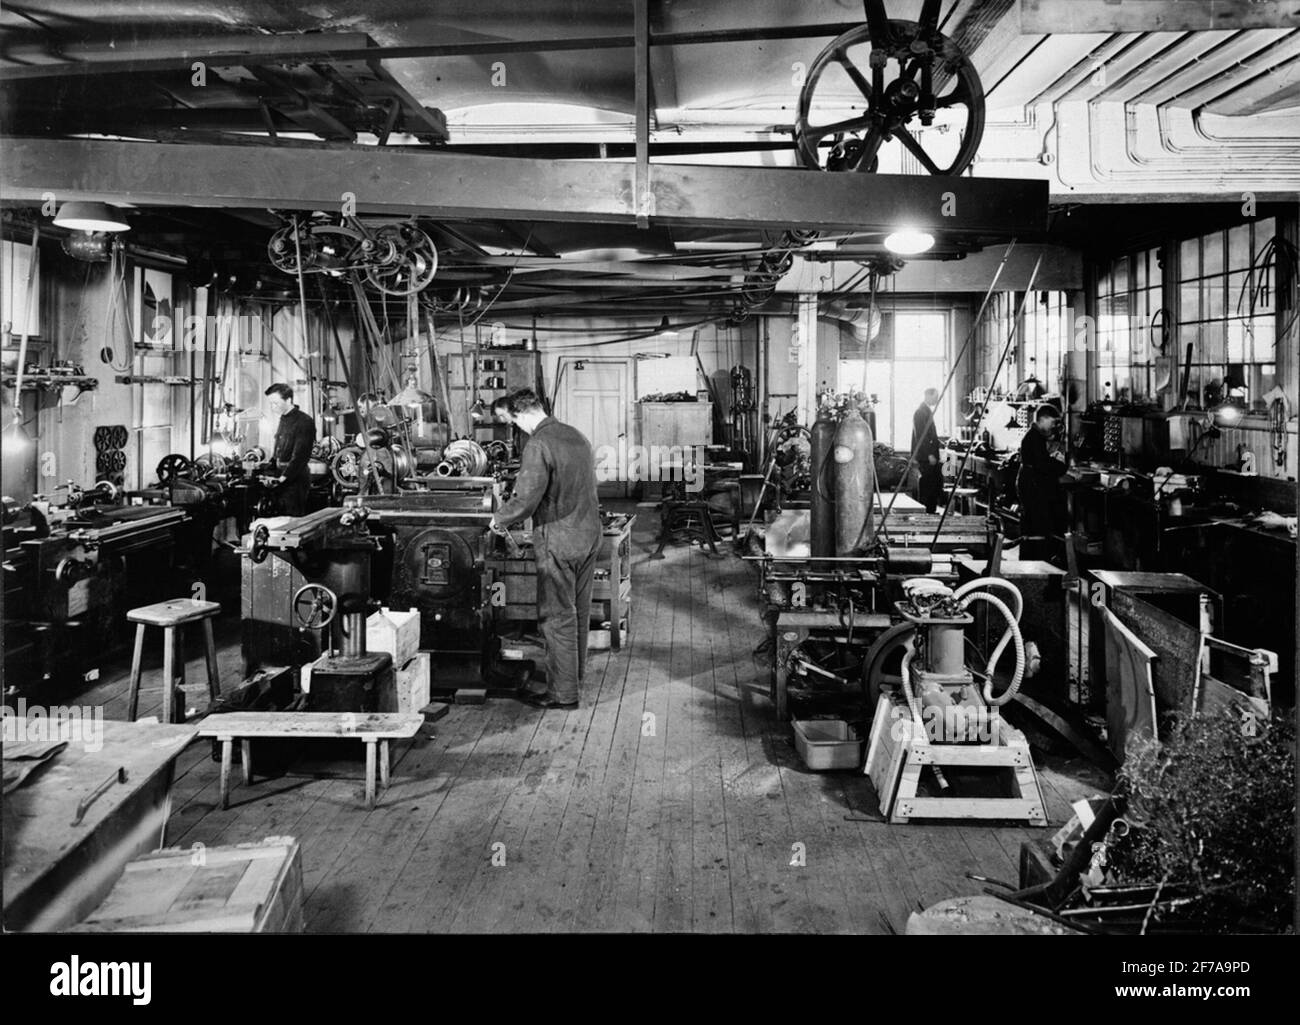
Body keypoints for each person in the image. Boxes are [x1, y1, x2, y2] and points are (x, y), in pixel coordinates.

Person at [489, 388, 602, 710]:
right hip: (589, 534)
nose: (517, 429)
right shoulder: (575, 435)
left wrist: (498, 520)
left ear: (520, 415)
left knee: (557, 617)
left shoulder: (538, 443)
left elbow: (526, 499)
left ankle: (563, 695)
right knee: (577, 611)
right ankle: (573, 677)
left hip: (560, 540)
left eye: (514, 422)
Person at [1016, 404, 1068, 538]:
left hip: (1029, 481)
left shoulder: (1036, 435)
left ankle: (1033, 548)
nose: (1053, 426)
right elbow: (1043, 464)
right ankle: (1036, 550)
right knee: (1037, 524)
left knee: (1034, 522)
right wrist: (1063, 467)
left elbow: (1041, 460)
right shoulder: (1035, 437)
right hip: (1031, 484)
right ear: (1043, 419)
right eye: (1052, 422)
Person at [264, 383, 315, 516]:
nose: (272, 407)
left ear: (288, 400)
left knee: (292, 520)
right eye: (271, 404)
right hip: (281, 477)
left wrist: (283, 478)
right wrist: (267, 472)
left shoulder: (304, 421)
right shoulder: (283, 419)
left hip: (295, 480)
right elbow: (278, 451)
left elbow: (300, 457)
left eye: (275, 403)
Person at [911, 387, 943, 514]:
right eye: (935, 397)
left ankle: (931, 511)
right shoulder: (920, 412)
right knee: (927, 485)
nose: (936, 400)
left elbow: (929, 434)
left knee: (933, 484)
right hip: (926, 456)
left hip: (929, 455)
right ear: (928, 396)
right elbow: (921, 436)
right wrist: (929, 454)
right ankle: (927, 512)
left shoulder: (926, 410)